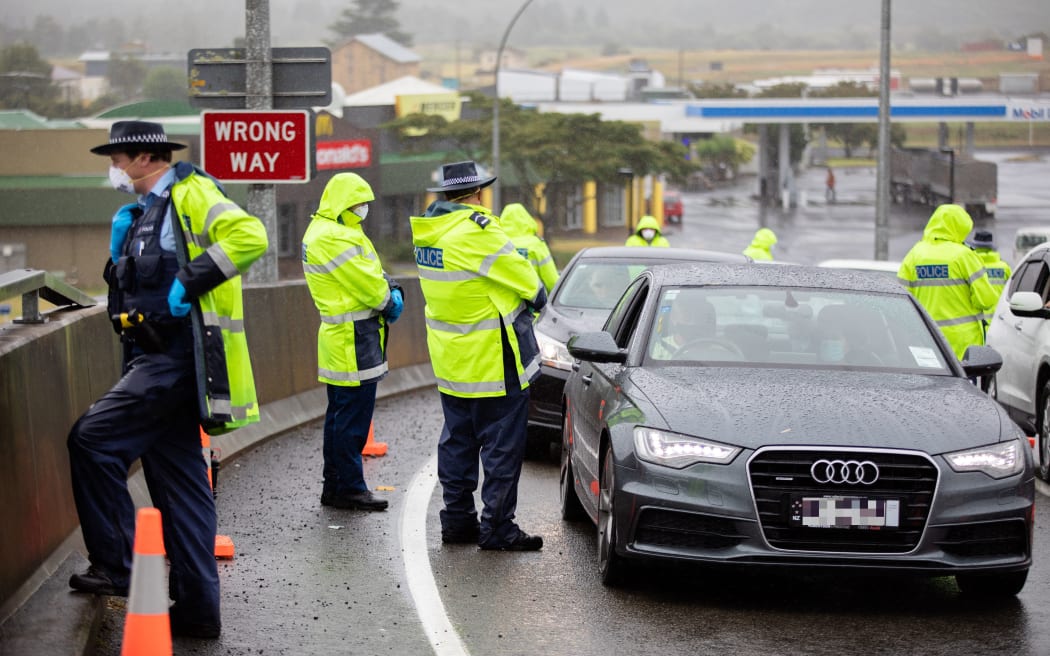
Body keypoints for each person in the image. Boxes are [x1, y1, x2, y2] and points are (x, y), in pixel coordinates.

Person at [68, 120, 268, 638]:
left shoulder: (190, 192)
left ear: (142, 157)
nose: (113, 168)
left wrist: (191, 280)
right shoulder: (143, 212)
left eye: (116, 158)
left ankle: (119, 569)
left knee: (91, 440)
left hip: (178, 359)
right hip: (152, 356)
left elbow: (250, 235)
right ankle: (199, 613)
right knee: (179, 485)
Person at [410, 161, 547, 551]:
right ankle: (498, 528)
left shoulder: (428, 233)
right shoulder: (477, 230)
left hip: (452, 360)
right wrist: (536, 297)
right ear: (478, 193)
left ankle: (457, 524)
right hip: (493, 359)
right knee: (502, 447)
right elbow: (527, 281)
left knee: (458, 443)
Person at [302, 172, 403, 512]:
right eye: (360, 203)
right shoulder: (333, 236)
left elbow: (370, 270)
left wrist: (387, 285)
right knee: (352, 418)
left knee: (339, 415)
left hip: (344, 336)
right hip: (352, 339)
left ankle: (336, 485)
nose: (364, 209)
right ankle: (349, 487)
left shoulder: (334, 231)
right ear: (344, 202)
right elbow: (365, 283)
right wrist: (389, 299)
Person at [898, 204, 1000, 360]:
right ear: (960, 227)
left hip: (927, 339)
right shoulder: (964, 255)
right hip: (963, 343)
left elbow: (902, 301)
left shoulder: (914, 254)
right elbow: (986, 300)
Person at [500, 202, 560, 294]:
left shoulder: (499, 244)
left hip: (506, 303)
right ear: (526, 219)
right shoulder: (536, 244)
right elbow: (551, 278)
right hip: (534, 300)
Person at [967, 229, 1012, 317]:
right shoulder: (1004, 267)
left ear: (974, 246)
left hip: (978, 320)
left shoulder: (969, 266)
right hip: (999, 318)